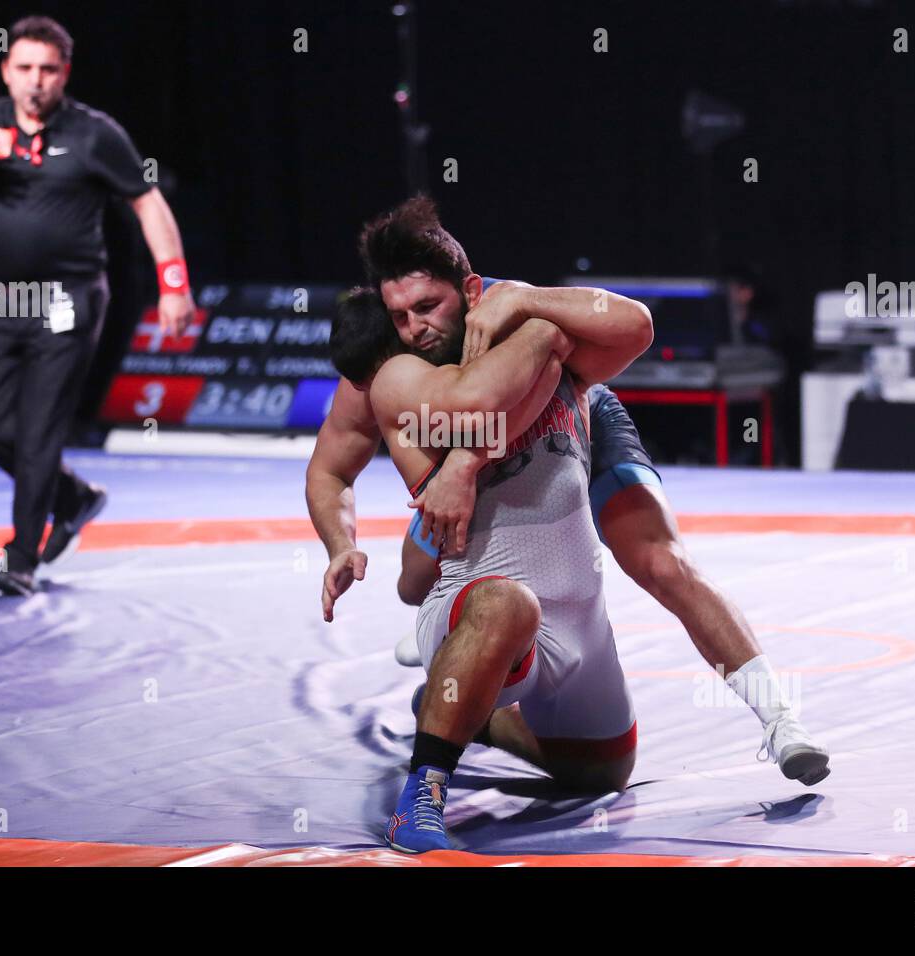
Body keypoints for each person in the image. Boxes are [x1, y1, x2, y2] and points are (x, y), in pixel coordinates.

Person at [306, 198, 830, 851]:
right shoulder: (391, 375)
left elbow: (636, 324)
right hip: (506, 551)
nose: (412, 327)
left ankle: (773, 718)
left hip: (581, 452)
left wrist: (527, 304)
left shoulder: (515, 310)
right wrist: (341, 543)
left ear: (470, 292)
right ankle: (430, 772)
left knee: (606, 762)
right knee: (435, 584)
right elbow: (458, 413)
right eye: (398, 317)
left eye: (426, 309)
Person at [0, 15, 195, 596]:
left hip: (69, 298)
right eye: (24, 68)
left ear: (64, 72)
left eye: (48, 69)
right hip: (2, 298)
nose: (35, 81)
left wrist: (173, 284)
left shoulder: (95, 133)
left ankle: (20, 555)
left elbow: (147, 205)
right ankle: (73, 498)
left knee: (40, 426)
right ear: (6, 71)